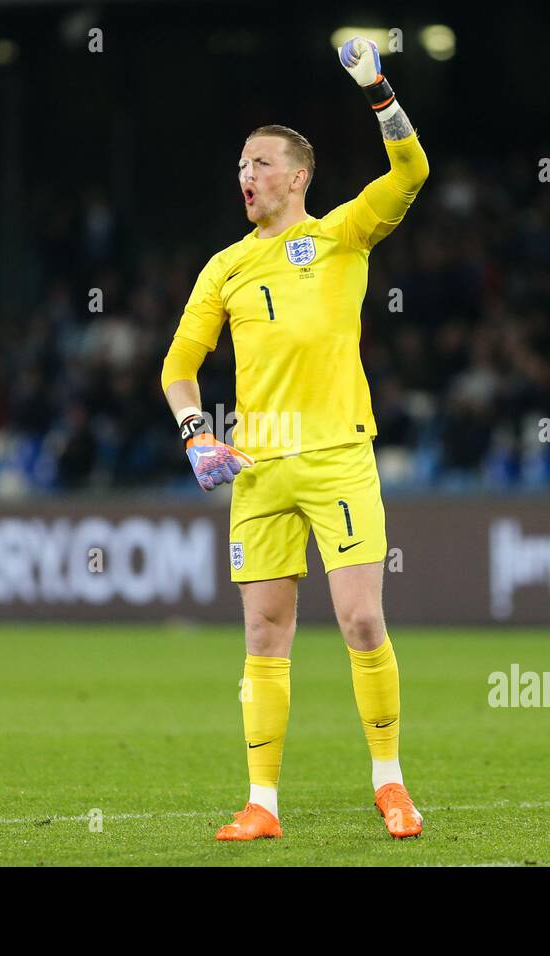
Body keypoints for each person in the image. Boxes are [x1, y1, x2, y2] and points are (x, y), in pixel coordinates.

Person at [159, 37, 429, 840]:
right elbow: (179, 365)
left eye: (261, 162)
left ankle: (390, 784)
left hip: (337, 452)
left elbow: (411, 174)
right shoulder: (223, 268)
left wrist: (378, 90)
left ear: (298, 177)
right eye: (241, 163)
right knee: (264, 633)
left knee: (360, 624)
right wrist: (195, 435)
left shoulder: (344, 233)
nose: (246, 174)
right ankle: (262, 803)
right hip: (258, 462)